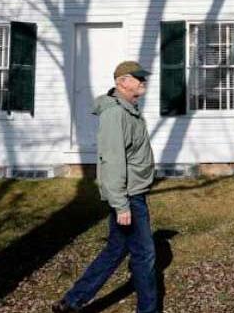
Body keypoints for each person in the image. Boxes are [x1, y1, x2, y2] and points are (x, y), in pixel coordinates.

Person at [54, 61, 159, 313]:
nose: (142, 81)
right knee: (145, 256)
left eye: (142, 77)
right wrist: (121, 204)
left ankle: (71, 302)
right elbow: (112, 162)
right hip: (129, 197)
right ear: (121, 82)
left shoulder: (129, 109)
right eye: (137, 77)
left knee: (116, 249)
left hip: (132, 193)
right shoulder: (116, 114)